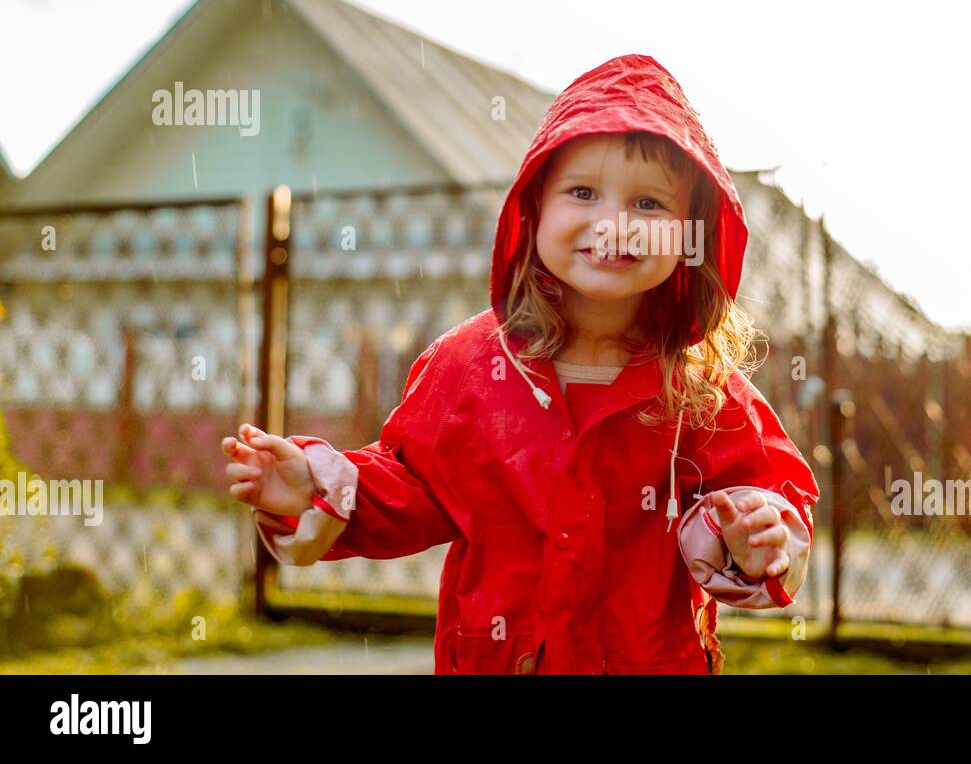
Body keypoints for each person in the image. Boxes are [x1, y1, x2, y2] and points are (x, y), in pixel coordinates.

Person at [222, 53, 820, 674]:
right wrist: (317, 485)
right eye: (582, 192)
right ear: (533, 209)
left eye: (648, 203)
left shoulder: (699, 390)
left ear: (691, 231)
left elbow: (767, 489)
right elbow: (415, 485)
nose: (614, 225)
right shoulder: (471, 367)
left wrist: (759, 531)